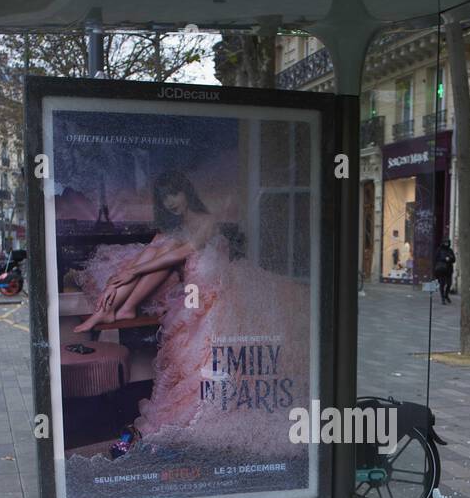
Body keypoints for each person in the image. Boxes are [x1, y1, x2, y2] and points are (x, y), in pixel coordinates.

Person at [68, 168, 308, 456]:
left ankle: (171, 430)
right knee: (182, 360)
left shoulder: (207, 221)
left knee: (204, 367)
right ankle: (117, 312)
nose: (170, 201)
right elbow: (165, 257)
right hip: (194, 304)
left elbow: (184, 253)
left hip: (222, 298)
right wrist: (126, 274)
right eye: (164, 197)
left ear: (186, 192)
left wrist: (134, 269)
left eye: (174, 193)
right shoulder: (174, 233)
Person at [433, 239, 456, 305]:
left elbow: (454, 259)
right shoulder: (439, 250)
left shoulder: (450, 250)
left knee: (449, 284)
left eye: (447, 243)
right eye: (445, 243)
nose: (446, 244)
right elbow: (435, 259)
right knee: (442, 285)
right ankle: (442, 298)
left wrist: (450, 258)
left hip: (449, 270)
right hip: (441, 270)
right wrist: (444, 259)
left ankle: (446, 295)